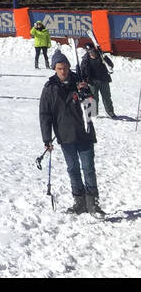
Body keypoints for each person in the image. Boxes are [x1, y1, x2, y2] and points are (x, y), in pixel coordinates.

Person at [40, 51, 102, 214]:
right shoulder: (49, 88)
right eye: (60, 68)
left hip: (84, 133)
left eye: (65, 67)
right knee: (73, 168)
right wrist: (47, 138)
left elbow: (93, 112)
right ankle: (79, 201)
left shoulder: (80, 82)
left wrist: (87, 94)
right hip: (65, 135)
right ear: (54, 68)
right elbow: (45, 114)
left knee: (88, 168)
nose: (63, 71)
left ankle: (93, 203)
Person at [79, 40, 116, 119]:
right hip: (93, 82)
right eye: (89, 51)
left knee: (107, 97)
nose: (91, 53)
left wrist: (105, 60)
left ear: (94, 49)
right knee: (93, 98)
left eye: (92, 50)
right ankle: (94, 113)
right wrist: (84, 81)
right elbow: (83, 71)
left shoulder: (101, 56)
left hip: (104, 80)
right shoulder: (85, 60)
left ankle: (110, 112)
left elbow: (111, 65)